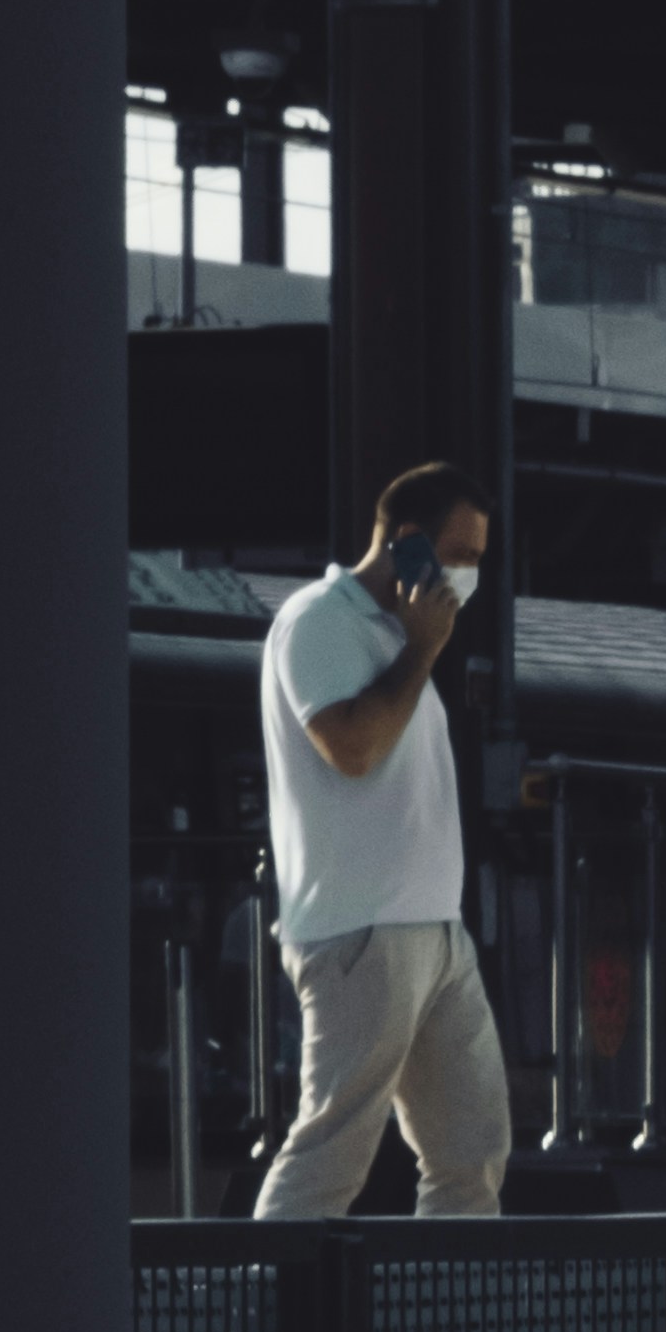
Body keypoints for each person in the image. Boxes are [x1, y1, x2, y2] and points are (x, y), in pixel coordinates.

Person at [251, 458, 515, 1220]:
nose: (468, 576)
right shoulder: (317, 621)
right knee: (330, 1156)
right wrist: (423, 647)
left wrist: (416, 642)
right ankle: (260, 1331)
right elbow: (353, 748)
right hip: (358, 929)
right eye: (459, 555)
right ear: (407, 543)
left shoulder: (395, 630)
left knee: (472, 1152)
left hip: (432, 929)